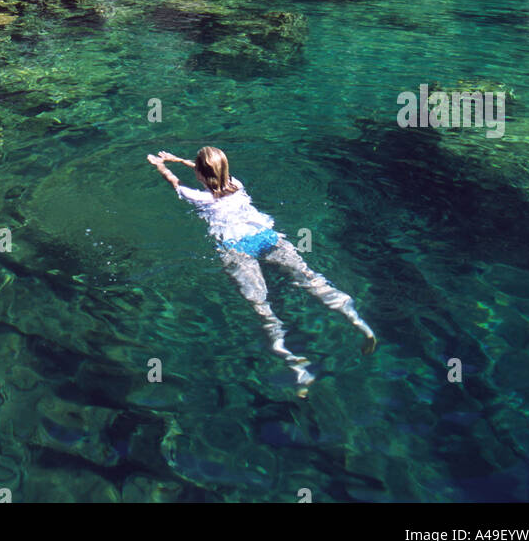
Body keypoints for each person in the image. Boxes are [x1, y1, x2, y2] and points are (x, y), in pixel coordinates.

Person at [147, 145, 376, 395]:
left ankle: (293, 360)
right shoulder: (237, 183)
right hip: (265, 235)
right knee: (311, 279)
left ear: (200, 175)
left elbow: (173, 181)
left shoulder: (199, 197)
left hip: (237, 246)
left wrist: (162, 165)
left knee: (261, 306)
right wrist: (180, 159)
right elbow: (210, 170)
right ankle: (360, 324)